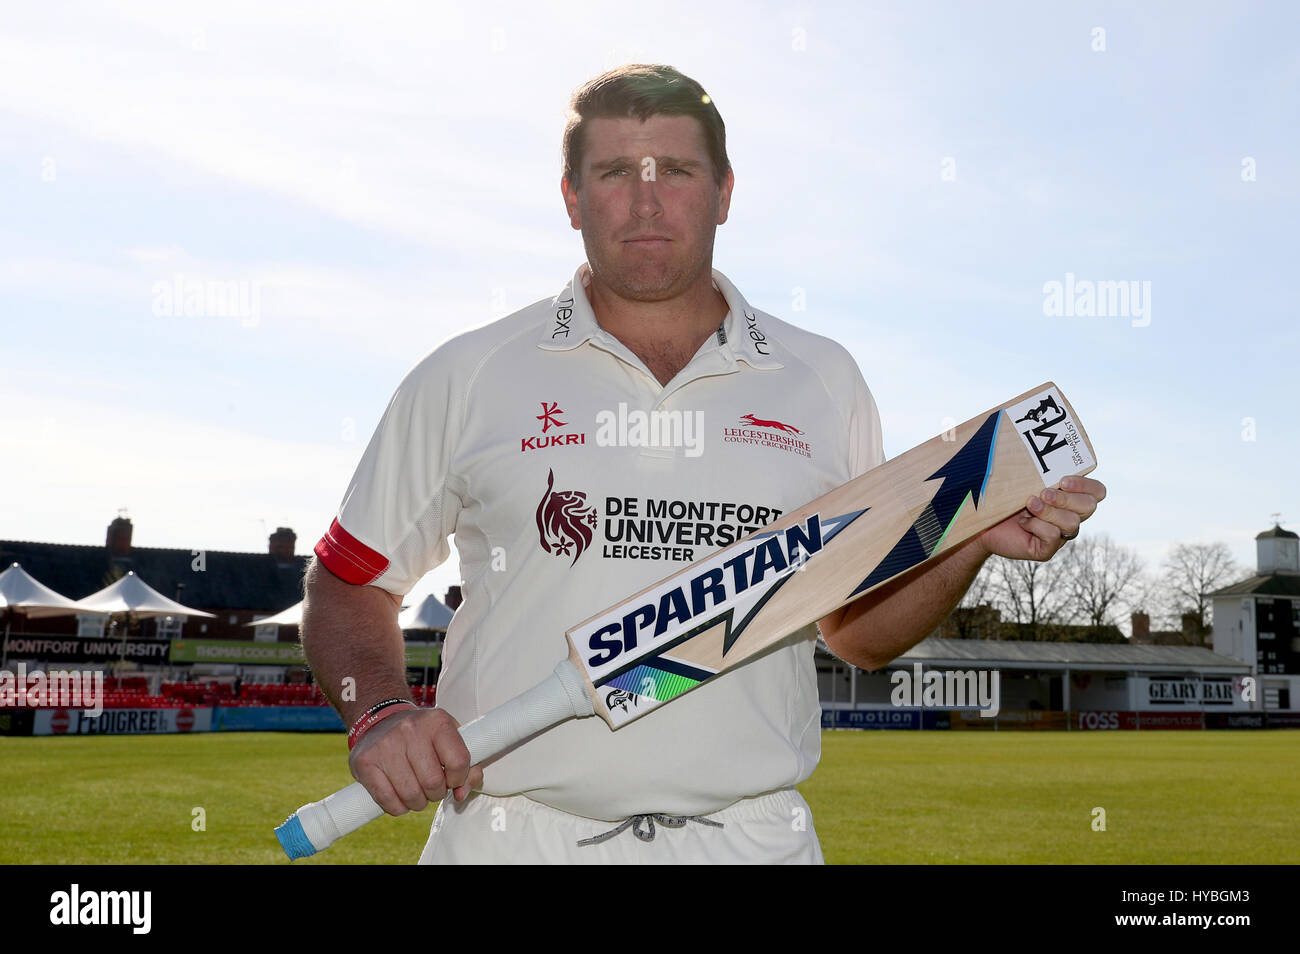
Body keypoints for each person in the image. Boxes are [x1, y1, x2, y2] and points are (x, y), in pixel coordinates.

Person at [301, 64, 1107, 864]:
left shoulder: (823, 379)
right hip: (515, 837)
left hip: (752, 840)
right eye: (615, 172)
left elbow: (855, 632)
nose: (646, 202)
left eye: (676, 172)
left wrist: (966, 539)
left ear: (724, 192)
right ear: (572, 198)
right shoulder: (472, 372)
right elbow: (348, 578)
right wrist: (378, 710)